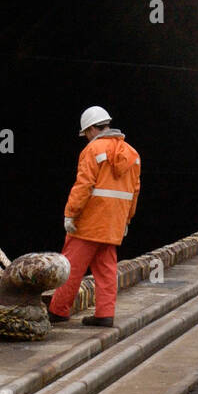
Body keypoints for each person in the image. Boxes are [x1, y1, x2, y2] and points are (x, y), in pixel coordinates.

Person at [47, 106, 141, 328]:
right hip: (113, 224)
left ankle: (59, 310)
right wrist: (127, 219)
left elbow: (84, 185)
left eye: (85, 134)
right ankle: (105, 314)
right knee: (106, 269)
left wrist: (70, 214)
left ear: (90, 129)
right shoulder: (132, 154)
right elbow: (135, 190)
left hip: (89, 222)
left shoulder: (92, 150)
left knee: (71, 267)